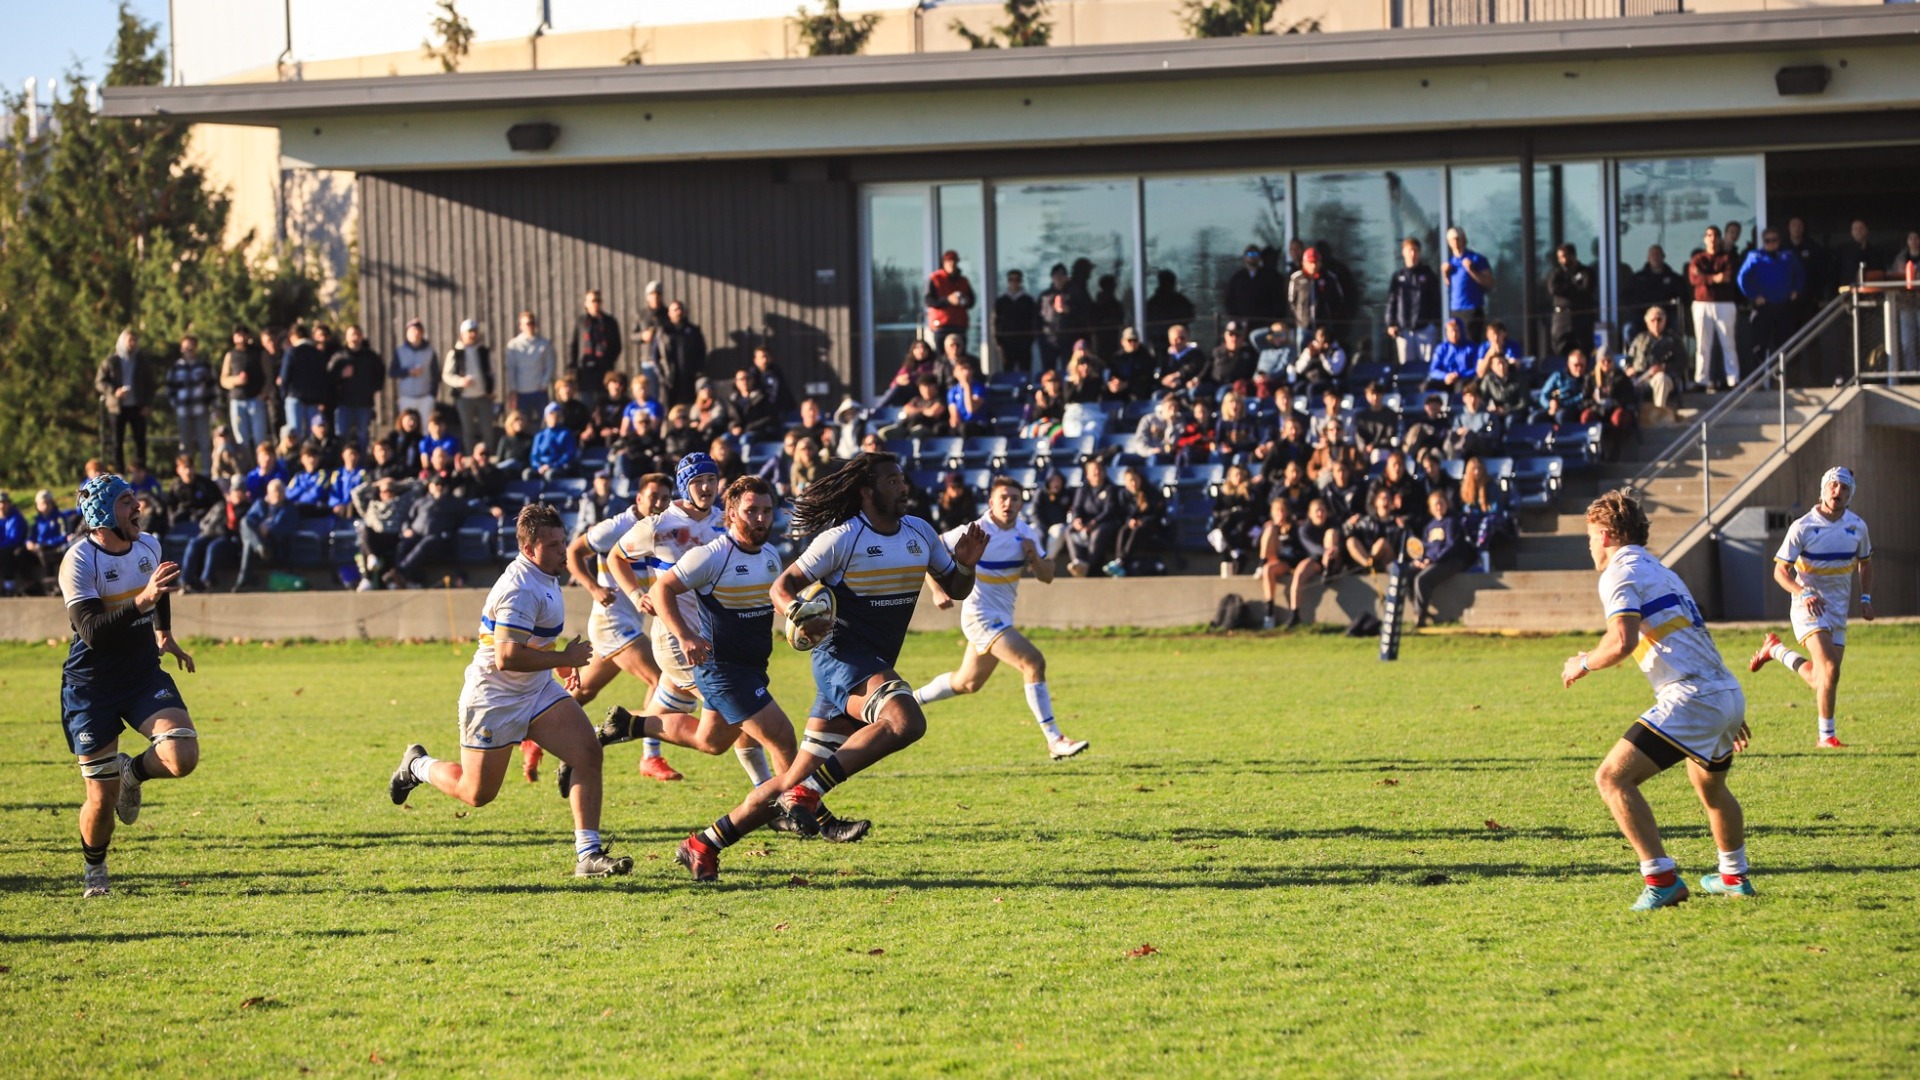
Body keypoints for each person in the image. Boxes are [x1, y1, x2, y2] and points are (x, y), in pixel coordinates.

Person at [387, 503, 632, 878]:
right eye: (551, 545)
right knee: (477, 794)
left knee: (586, 753)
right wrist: (563, 656)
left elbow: (531, 641)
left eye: (563, 542)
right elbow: (506, 657)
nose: (561, 551)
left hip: (535, 692)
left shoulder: (546, 573)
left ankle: (588, 855)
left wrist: (561, 663)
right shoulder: (519, 588)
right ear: (528, 548)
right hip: (494, 699)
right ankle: (417, 765)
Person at [766, 452, 988, 836]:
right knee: (905, 720)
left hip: (869, 664)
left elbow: (957, 588)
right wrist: (797, 612)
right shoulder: (842, 538)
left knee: (791, 777)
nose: (903, 488)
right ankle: (809, 794)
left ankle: (705, 843)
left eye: (902, 480)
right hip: (841, 660)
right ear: (867, 492)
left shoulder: (919, 531)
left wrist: (966, 565)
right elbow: (781, 587)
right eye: (892, 482)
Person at [1563, 489, 1754, 911]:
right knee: (1710, 786)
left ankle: (1662, 879)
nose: (1589, 545)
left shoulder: (1617, 572)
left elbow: (1621, 641)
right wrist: (1724, 706)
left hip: (1691, 695)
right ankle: (1733, 877)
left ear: (1609, 535)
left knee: (1612, 778)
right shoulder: (1661, 571)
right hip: (1722, 689)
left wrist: (1583, 664)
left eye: (1592, 535)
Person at [662, 476, 821, 881]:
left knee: (711, 742)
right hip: (722, 671)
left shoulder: (769, 555)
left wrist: (800, 622)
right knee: (783, 739)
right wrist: (684, 635)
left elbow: (775, 602)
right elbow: (664, 588)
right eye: (752, 510)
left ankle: (628, 723)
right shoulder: (711, 556)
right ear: (731, 512)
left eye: (767, 510)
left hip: (752, 669)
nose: (761, 518)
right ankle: (802, 807)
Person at [57, 475, 201, 897]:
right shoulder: (79, 561)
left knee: (182, 754)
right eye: (125, 502)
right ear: (101, 516)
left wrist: (164, 631)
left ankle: (133, 772)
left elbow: (159, 587)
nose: (137, 506)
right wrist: (143, 601)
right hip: (92, 684)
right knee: (100, 800)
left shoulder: (148, 544)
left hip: (140, 673)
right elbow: (93, 633)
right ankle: (95, 870)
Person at [912, 475, 1089, 760]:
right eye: (1003, 498)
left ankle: (909, 700)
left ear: (1021, 503)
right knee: (1033, 662)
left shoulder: (1027, 533)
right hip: (980, 616)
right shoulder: (974, 530)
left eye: (1014, 498)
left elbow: (1047, 577)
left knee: (967, 683)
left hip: (1001, 617)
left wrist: (1034, 557)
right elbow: (928, 551)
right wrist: (936, 590)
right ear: (991, 502)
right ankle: (1054, 739)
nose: (1008, 503)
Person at [552, 472, 680, 784]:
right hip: (612, 621)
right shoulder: (617, 526)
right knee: (660, 679)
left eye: (665, 498)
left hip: (629, 623)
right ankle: (651, 756)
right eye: (654, 497)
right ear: (639, 499)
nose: (660, 504)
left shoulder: (662, 529)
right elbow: (573, 553)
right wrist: (594, 588)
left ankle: (534, 733)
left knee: (583, 692)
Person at [1750, 466, 1873, 748]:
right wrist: (1803, 592)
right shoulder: (1803, 527)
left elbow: (1866, 563)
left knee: (1822, 679)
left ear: (1850, 494)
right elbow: (1780, 572)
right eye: (1833, 485)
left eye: (1843, 487)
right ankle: (1826, 737)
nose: (1837, 491)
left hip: (1838, 611)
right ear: (1823, 489)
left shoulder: (1857, 527)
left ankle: (1776, 650)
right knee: (1830, 669)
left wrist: (1866, 598)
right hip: (1808, 608)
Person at [1736, 227, 1805, 375]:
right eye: (1768, 240)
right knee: (1759, 344)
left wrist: (1796, 290)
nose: (1771, 243)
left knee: (1785, 342)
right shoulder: (1755, 256)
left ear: (1779, 241)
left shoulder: (1788, 256)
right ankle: (1757, 379)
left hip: (1784, 305)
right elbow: (1742, 278)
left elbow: (1800, 274)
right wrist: (1754, 295)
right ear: (1763, 241)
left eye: (1774, 240)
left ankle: (1784, 377)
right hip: (1764, 306)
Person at [1408, 488, 1474, 626]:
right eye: (1435, 505)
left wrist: (1433, 560)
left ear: (1446, 504)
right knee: (1407, 573)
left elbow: (1451, 546)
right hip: (1431, 561)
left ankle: (1420, 617)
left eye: (1441, 503)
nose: (1438, 507)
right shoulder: (1429, 526)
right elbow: (1425, 547)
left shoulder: (1452, 522)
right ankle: (1418, 609)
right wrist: (1420, 561)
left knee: (1421, 579)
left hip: (1449, 561)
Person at [385, 475, 464, 589]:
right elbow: (408, 519)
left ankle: (400, 573)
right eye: (435, 485)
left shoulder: (453, 503)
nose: (438, 488)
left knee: (427, 542)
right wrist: (407, 529)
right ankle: (407, 577)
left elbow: (472, 508)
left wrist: (490, 509)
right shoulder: (421, 502)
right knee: (403, 544)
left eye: (441, 485)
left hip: (439, 541)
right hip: (417, 535)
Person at [1688, 226, 1740, 392]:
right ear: (1705, 239)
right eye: (1709, 235)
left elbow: (1727, 277)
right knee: (1703, 345)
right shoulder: (1698, 258)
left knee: (1728, 342)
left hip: (1724, 304)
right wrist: (1713, 278)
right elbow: (1695, 278)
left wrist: (1707, 278)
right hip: (1702, 304)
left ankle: (1733, 379)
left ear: (1720, 239)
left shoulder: (1727, 258)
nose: (1712, 238)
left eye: (1716, 235)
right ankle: (1701, 380)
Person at [97, 330, 156, 471]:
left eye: (135, 341)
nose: (133, 344)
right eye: (130, 340)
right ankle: (119, 471)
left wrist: (147, 404)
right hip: (117, 407)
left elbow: (150, 384)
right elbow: (100, 382)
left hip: (138, 406)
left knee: (140, 440)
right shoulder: (111, 361)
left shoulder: (141, 361)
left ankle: (140, 471)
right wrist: (114, 391)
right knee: (117, 440)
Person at [164, 335, 218, 473]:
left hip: (201, 410)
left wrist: (213, 406)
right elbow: (170, 388)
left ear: (196, 348)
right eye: (185, 348)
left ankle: (207, 473)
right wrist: (175, 404)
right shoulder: (176, 367)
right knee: (185, 445)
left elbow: (212, 387)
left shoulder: (204, 366)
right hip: (183, 411)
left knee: (205, 443)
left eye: (191, 348)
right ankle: (185, 472)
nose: (188, 351)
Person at [1385, 236, 1441, 368]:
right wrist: (1391, 323)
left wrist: (1434, 323)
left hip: (1425, 328)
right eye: (1409, 250)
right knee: (1406, 367)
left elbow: (1436, 300)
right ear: (1403, 252)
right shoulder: (1398, 277)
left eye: (1415, 250)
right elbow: (1391, 302)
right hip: (1404, 330)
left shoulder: (1428, 275)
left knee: (1427, 367)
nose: (1412, 254)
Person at [1063, 456, 1124, 576]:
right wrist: (1077, 520)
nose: (1097, 473)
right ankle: (1078, 561)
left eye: (1099, 469)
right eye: (1094, 470)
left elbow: (1109, 511)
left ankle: (1089, 566)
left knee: (1098, 533)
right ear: (1087, 474)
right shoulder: (1083, 489)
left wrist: (1094, 523)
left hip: (1105, 522)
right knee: (1069, 530)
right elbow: (1077, 507)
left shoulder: (1111, 488)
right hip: (1086, 522)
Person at [325, 325, 383, 451]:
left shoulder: (371, 357)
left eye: (358, 334)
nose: (355, 338)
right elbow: (328, 378)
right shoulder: (339, 357)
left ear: (362, 337)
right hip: (344, 403)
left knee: (363, 436)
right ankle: (342, 465)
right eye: (352, 335)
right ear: (346, 337)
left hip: (364, 403)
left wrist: (370, 389)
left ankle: (361, 466)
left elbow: (380, 375)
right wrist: (341, 375)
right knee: (342, 436)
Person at [442, 319, 496, 452]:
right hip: (464, 397)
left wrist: (491, 389)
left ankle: (486, 456)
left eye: (474, 332)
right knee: (468, 430)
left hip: (483, 396)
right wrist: (460, 381)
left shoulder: (484, 351)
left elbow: (492, 372)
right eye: (469, 332)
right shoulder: (455, 352)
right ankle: (470, 456)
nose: (472, 335)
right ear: (462, 334)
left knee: (487, 429)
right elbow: (446, 375)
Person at [1625, 306, 1685, 421]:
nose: (1656, 323)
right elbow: (1629, 358)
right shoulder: (1639, 339)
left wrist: (1663, 367)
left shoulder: (1673, 340)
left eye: (1659, 320)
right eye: (1652, 320)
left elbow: (1682, 362)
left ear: (1665, 321)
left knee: (1661, 379)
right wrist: (1628, 368)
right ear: (1647, 322)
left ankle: (1660, 414)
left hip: (1662, 377)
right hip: (1640, 376)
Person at [236, 478, 296, 591]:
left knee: (249, 541)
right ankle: (259, 547)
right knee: (245, 524)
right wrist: (259, 531)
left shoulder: (289, 509)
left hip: (275, 545)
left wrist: (268, 528)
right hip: (259, 545)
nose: (277, 494)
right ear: (268, 493)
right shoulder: (260, 504)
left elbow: (287, 528)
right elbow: (249, 520)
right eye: (274, 491)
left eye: (280, 491)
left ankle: (243, 579)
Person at [1256, 497, 1307, 628]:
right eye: (1277, 511)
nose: (1281, 514)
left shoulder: (1295, 527)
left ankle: (1292, 614)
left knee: (1270, 569)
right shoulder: (1271, 527)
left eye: (1283, 510)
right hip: (1274, 558)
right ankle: (1269, 610)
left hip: (1289, 562)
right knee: (1268, 568)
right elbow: (1260, 544)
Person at [220, 326, 273, 454]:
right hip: (237, 400)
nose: (241, 338)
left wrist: (264, 393)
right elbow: (223, 379)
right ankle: (245, 466)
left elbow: (269, 375)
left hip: (256, 399)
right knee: (241, 439)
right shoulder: (230, 355)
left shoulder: (260, 353)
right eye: (238, 335)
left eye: (244, 335)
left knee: (259, 437)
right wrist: (235, 381)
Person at [569, 289, 623, 406]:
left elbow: (617, 346)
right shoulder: (581, 322)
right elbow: (574, 345)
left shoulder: (609, 322)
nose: (595, 304)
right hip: (585, 370)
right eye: (592, 301)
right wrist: (573, 367)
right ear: (586, 304)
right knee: (586, 402)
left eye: (598, 300)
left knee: (603, 402)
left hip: (604, 369)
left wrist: (608, 360)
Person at [278, 324, 331, 441]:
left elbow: (285, 376)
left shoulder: (291, 352)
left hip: (295, 397)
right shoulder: (318, 354)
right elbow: (323, 378)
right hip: (314, 400)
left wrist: (283, 394)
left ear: (294, 336)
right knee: (312, 433)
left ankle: (297, 457)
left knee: (294, 433)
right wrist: (321, 399)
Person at [1441, 227, 1494, 342]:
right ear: (1448, 243)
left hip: (1472, 309)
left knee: (1472, 343)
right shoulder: (1450, 263)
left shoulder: (1477, 259)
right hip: (1455, 309)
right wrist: (1445, 274)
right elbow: (1449, 285)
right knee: (1457, 342)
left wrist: (1472, 271)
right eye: (1452, 240)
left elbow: (1489, 283)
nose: (1455, 242)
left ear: (1464, 239)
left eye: (1458, 239)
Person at [1546, 243, 1598, 360]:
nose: (1562, 261)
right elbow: (1553, 289)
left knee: (1584, 351)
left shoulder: (1586, 272)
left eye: (1564, 256)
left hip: (1581, 318)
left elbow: (1586, 290)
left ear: (1573, 256)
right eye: (1559, 258)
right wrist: (1574, 284)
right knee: (1560, 352)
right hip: (1562, 319)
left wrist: (1567, 288)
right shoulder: (1557, 274)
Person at [1625, 245, 1689, 339]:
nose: (1655, 257)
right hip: (1642, 316)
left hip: (1667, 316)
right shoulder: (1638, 279)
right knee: (1628, 329)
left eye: (1658, 255)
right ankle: (1635, 352)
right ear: (1648, 258)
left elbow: (1683, 298)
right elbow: (1626, 297)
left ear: (1663, 257)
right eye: (1653, 255)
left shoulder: (1674, 278)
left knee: (1677, 326)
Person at [652, 300, 707, 408]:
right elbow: (655, 356)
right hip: (670, 379)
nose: (678, 312)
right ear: (669, 313)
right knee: (669, 409)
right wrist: (662, 376)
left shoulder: (693, 331)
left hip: (689, 378)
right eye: (675, 310)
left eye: (680, 309)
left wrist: (698, 372)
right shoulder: (663, 332)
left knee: (690, 407)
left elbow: (701, 353)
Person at [1288, 247, 1344, 347]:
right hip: (1304, 326)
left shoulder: (1329, 277)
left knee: (1325, 352)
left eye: (1316, 262)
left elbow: (1338, 299)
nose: (1313, 266)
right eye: (1310, 262)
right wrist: (1300, 317)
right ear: (1304, 262)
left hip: (1323, 326)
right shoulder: (1296, 278)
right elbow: (1292, 301)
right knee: (1302, 351)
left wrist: (1330, 316)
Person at [1038, 262, 1088, 370]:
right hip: (1049, 340)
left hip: (1069, 339)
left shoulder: (1076, 294)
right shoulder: (1045, 296)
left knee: (1069, 369)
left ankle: (1067, 387)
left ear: (1066, 277)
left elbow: (1085, 314)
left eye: (1062, 275)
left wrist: (1068, 310)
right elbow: (1038, 318)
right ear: (1052, 277)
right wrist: (1041, 337)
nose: (1059, 278)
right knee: (1049, 371)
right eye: (1056, 275)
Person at [925, 249, 976, 351]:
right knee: (942, 358)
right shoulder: (935, 279)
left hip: (959, 324)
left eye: (954, 261)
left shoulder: (963, 281)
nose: (952, 264)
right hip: (941, 325)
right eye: (949, 261)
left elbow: (972, 301)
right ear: (944, 263)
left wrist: (963, 300)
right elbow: (929, 301)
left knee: (960, 357)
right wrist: (948, 300)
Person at [389, 317, 438, 423]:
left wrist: (432, 396)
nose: (415, 333)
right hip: (407, 397)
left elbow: (436, 375)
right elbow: (392, 372)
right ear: (407, 333)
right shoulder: (400, 351)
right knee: (407, 427)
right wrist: (408, 372)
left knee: (425, 428)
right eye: (412, 331)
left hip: (425, 398)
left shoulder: (430, 351)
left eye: (417, 330)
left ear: (422, 332)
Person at [1227, 245, 1286, 329]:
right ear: (1245, 257)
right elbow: (1229, 300)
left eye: (1255, 254)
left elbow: (1276, 300)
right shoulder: (1237, 278)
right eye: (1250, 254)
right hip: (1242, 325)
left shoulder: (1269, 278)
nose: (1252, 257)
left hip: (1263, 324)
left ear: (1259, 258)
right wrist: (1235, 319)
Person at [1144, 268, 1196, 357]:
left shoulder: (1179, 300)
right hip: (1159, 340)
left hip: (1176, 339)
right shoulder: (1155, 302)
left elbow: (1191, 315)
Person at [529, 403, 581, 482]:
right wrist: (538, 467)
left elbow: (568, 455)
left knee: (550, 474)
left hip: (558, 467)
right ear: (546, 418)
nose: (554, 417)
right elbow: (534, 455)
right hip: (541, 467)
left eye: (557, 415)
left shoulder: (566, 433)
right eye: (551, 415)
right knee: (528, 474)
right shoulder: (540, 436)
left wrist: (551, 465)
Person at [726, 368, 780, 440]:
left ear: (752, 380)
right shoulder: (732, 400)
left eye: (747, 378)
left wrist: (749, 428)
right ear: (736, 382)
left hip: (757, 433)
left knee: (745, 439)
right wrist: (733, 427)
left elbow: (770, 418)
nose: (745, 382)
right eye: (742, 379)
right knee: (724, 439)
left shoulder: (762, 397)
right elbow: (728, 419)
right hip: (737, 433)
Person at [1424, 318, 1477, 392]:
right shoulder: (1442, 348)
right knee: (1429, 385)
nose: (1454, 334)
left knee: (1461, 385)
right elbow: (1433, 370)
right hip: (1446, 379)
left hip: (1463, 379)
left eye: (1457, 331)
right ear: (1446, 333)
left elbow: (1475, 369)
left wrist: (1459, 375)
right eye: (1451, 331)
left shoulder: (1471, 348)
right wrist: (1445, 376)